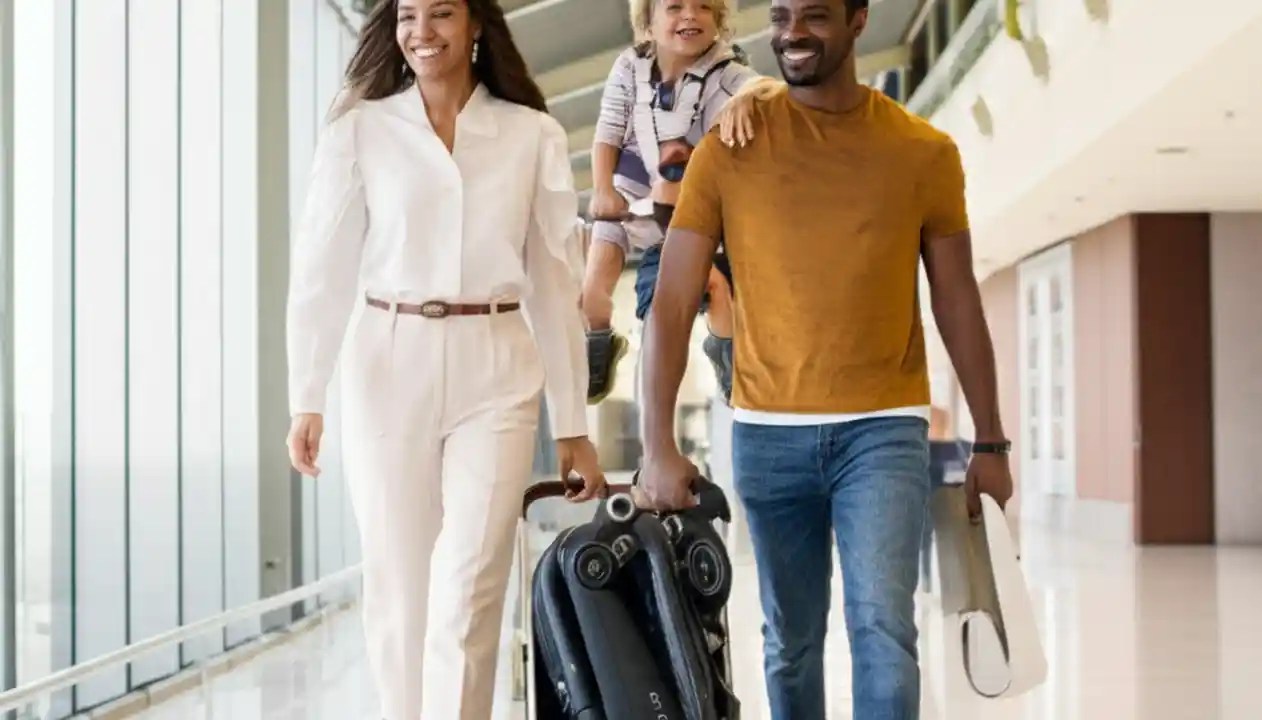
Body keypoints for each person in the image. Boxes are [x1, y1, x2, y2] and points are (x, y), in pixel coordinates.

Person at [637, 1, 1015, 717]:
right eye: (781, 16)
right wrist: (657, 444)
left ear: (859, 19)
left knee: (884, 632)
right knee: (789, 642)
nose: (792, 34)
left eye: (814, 16)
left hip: (884, 431)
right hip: (766, 435)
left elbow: (958, 299)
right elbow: (674, 301)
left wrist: (990, 441)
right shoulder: (729, 147)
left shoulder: (923, 151)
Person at [283, 1, 606, 718]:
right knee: (399, 590)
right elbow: (321, 268)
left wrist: (573, 423)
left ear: (476, 24)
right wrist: (307, 394)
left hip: (496, 365)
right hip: (387, 362)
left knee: (470, 587)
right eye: (408, 15)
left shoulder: (532, 135)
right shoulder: (361, 130)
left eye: (441, 13)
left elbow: (554, 281)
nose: (421, 31)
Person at [581, 0, 757, 405]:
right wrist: (603, 189)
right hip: (631, 191)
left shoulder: (728, 71)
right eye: (674, 6)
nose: (690, 15)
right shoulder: (629, 67)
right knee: (593, 288)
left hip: (689, 201)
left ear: (718, 21)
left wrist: (750, 96)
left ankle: (725, 353)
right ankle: (602, 340)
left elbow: (767, 88)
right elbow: (608, 130)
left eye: (703, 7)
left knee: (716, 287)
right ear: (648, 22)